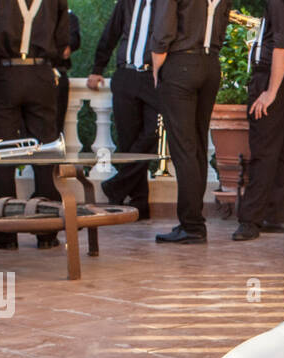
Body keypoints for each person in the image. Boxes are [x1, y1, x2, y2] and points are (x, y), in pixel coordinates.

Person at [0, 0, 70, 250]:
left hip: (6, 73)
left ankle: (5, 234)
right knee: (45, 153)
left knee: (3, 153)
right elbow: (64, 41)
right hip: (41, 74)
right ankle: (47, 231)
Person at [149, 0, 231, 245]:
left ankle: (191, 225)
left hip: (180, 63)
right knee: (197, 146)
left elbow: (163, 30)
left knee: (184, 148)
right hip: (210, 65)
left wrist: (156, 68)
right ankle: (194, 222)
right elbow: (222, 26)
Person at [232, 0, 284, 241]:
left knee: (262, 150)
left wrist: (270, 92)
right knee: (282, 152)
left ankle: (249, 220)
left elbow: (282, 46)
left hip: (271, 81)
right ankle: (278, 216)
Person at [88, 0, 158, 219]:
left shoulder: (168, 5)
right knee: (128, 141)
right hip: (125, 75)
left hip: (154, 78)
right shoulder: (127, 3)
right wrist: (97, 68)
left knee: (151, 136)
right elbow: (111, 33)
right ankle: (139, 203)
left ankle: (117, 185)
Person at [55, 10, 80, 138]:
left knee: (54, 129)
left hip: (55, 77)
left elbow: (65, 51)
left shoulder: (68, 16)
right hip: (28, 75)